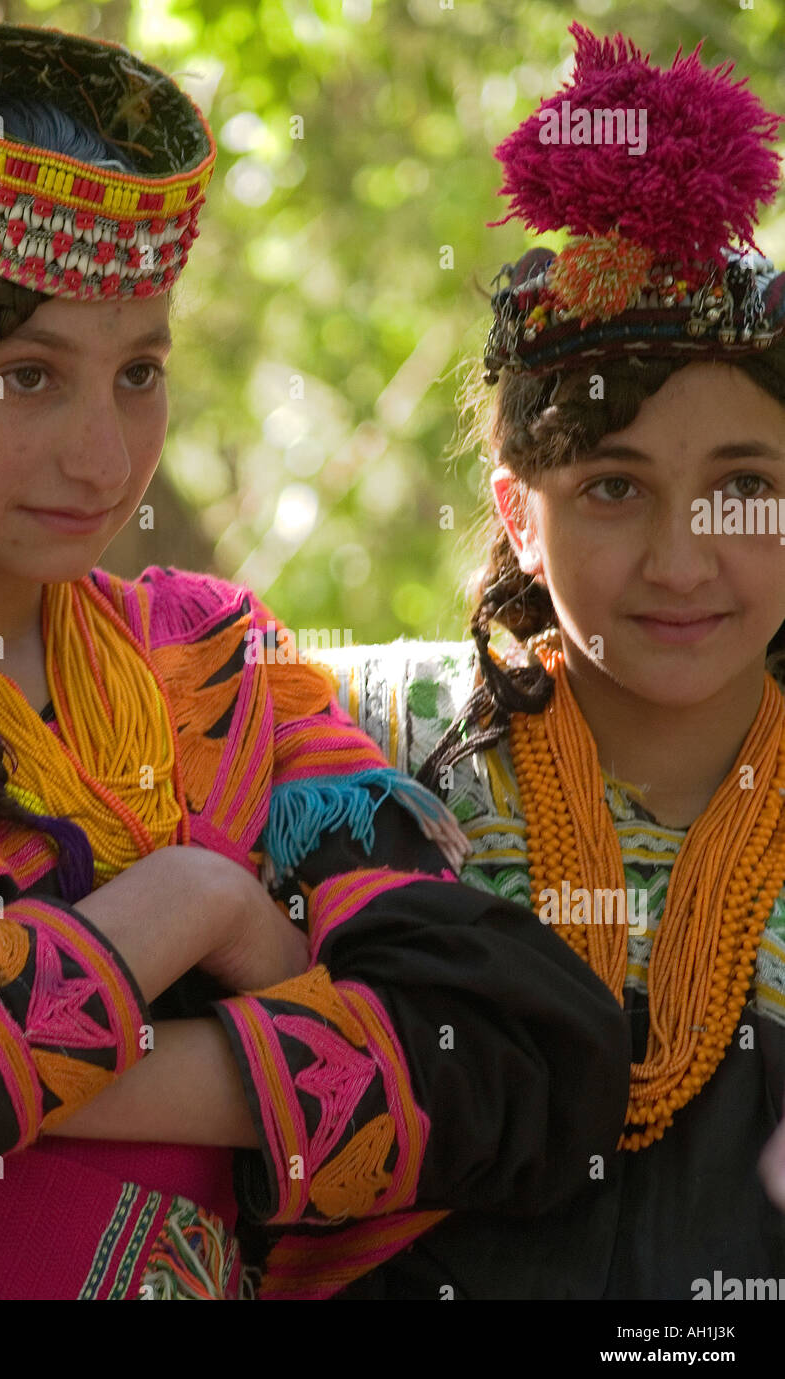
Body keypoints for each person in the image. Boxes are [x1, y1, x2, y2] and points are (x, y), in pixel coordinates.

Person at [0, 21, 629, 1300]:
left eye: (138, 371)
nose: (102, 455)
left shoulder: (210, 661)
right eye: (27, 377)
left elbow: (520, 1062)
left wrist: (37, 1069)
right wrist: (200, 905)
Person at [313, 23, 785, 1297]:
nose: (681, 561)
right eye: (614, 489)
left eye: (743, 487)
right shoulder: (357, 747)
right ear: (520, 512)